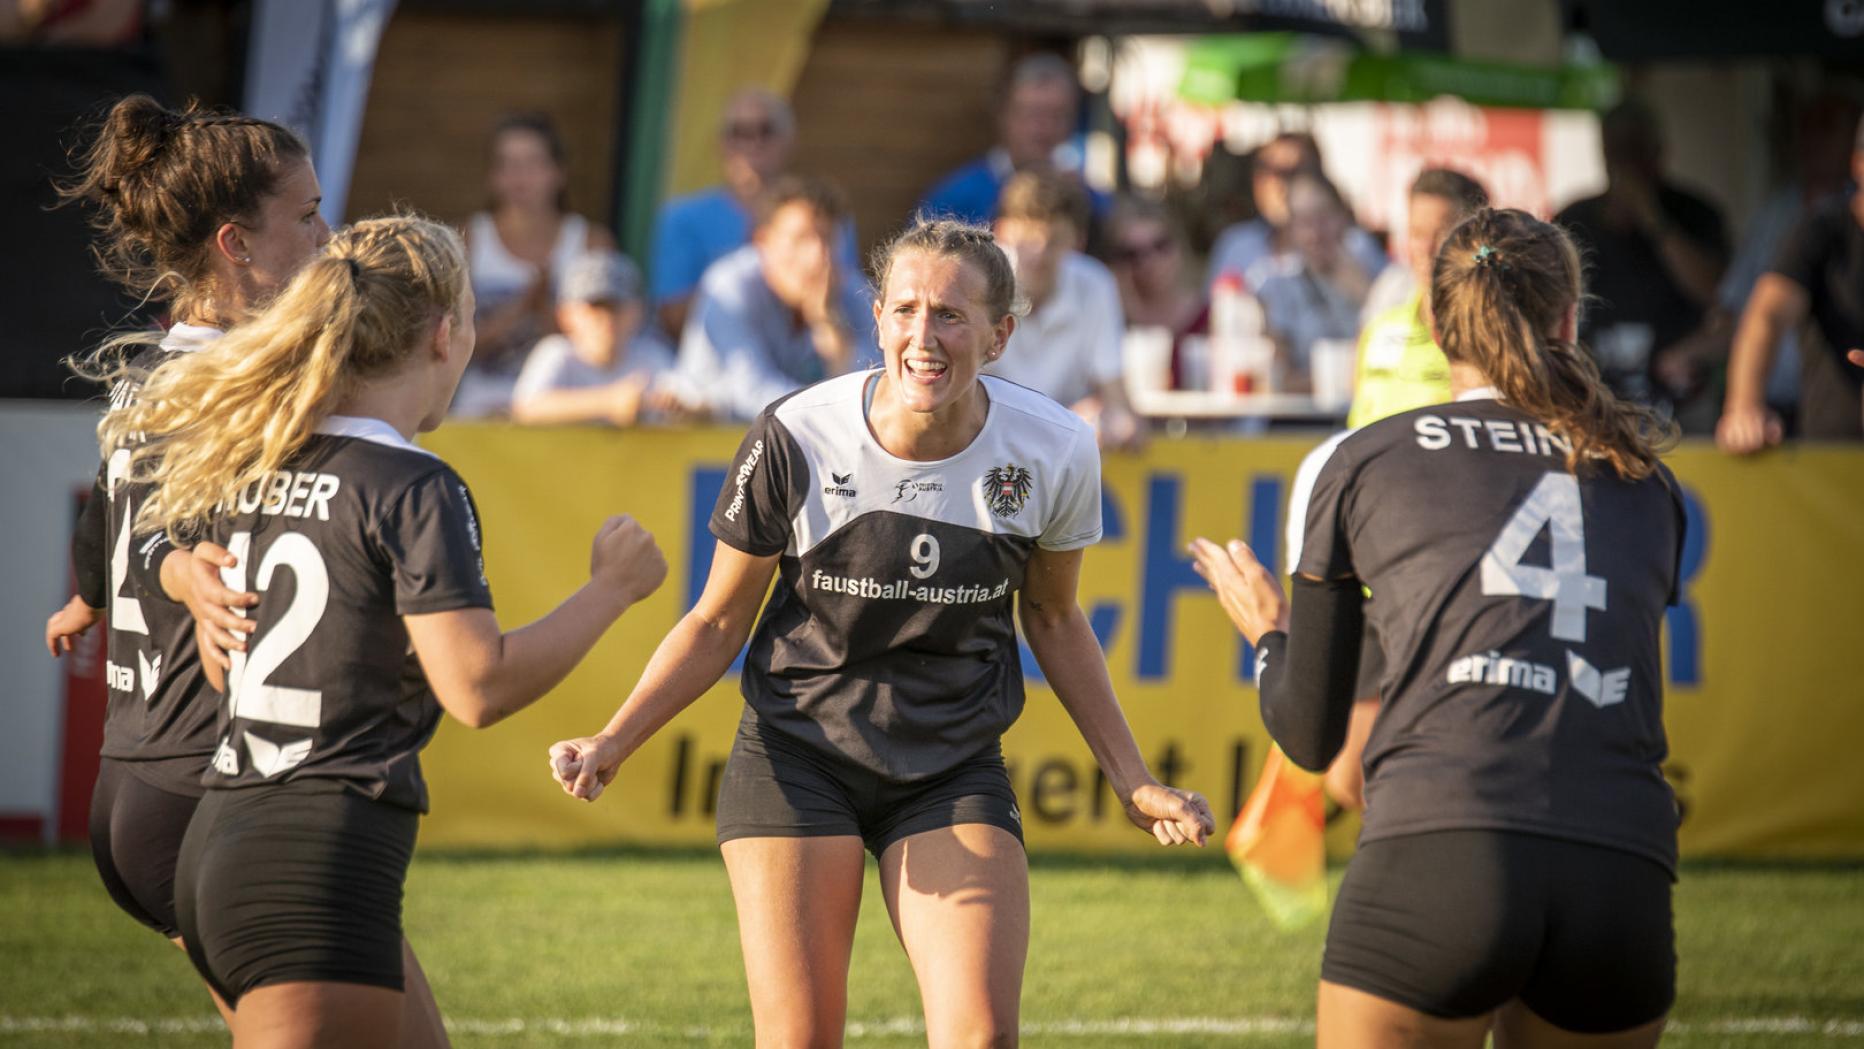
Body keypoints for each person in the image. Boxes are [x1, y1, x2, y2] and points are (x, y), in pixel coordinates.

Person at [548, 217, 1214, 1047]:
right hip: (797, 755)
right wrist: (613, 738)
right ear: (877, 319)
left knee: (980, 1036)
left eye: (951, 315)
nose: (922, 336)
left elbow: (1053, 616)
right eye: (905, 310)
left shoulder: (1056, 448)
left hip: (950, 762)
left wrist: (1133, 779)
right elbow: (716, 620)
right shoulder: (795, 432)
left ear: (1001, 336)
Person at [106, 215, 667, 1048]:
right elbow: (478, 688)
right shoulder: (412, 483)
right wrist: (610, 590)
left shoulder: (261, 459)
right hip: (316, 852)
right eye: (471, 321)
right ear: (443, 333)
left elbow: (229, 665)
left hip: (224, 836)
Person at [1195, 208, 1684, 1048]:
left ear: (1430, 319)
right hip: (1621, 866)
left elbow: (1311, 738)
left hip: (1441, 843)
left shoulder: (1366, 458)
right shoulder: (1645, 476)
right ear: (1569, 318)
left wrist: (1270, 634)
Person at [39, 94, 349, 1033]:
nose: (328, 236)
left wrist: (90, 598)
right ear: (235, 244)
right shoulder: (228, 386)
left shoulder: (149, 372)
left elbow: (111, 509)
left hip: (135, 780)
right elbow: (161, 534)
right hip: (202, 783)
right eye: (307, 215)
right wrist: (179, 574)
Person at [1285, 165, 1485, 810]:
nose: (1424, 247)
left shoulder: (1486, 339)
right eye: (1414, 231)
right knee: (1350, 773)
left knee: (1383, 768)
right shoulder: (1384, 322)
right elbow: (1354, 439)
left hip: (1441, 572)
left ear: (1474, 235)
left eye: (1441, 230)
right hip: (1370, 566)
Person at [1556, 99, 1729, 413]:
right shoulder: (1575, 219)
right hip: (1591, 395)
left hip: (1676, 394)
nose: (1625, 164)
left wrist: (1654, 220)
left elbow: (1715, 290)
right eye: (1617, 152)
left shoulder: (1696, 214)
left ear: (1657, 153)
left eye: (1635, 151)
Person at [649, 88, 856, 339]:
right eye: (739, 132)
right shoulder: (681, 218)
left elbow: (847, 299)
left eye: (765, 130)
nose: (752, 142)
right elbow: (672, 316)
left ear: (790, 141)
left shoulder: (829, 219)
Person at [669, 175, 873, 422]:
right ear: (763, 242)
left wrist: (828, 323)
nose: (818, 256)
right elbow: (753, 396)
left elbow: (873, 390)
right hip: (698, 441)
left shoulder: (852, 289)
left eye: (828, 238)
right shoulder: (728, 286)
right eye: (802, 238)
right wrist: (835, 413)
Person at [1717, 112, 1864, 453]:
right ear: (1858, 164)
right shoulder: (1823, 228)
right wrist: (1744, 407)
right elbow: (1767, 313)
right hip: (1832, 453)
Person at [452, 112, 614, 418]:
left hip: (568, 405)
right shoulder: (466, 239)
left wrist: (544, 311)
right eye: (508, 164)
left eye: (533, 163)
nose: (520, 177)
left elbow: (607, 343)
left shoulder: (592, 242)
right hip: (480, 403)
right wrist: (520, 309)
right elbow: (446, 343)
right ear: (492, 175)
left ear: (559, 172)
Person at [988, 171, 1141, 449]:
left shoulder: (1095, 284)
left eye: (1054, 240)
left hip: (1063, 447)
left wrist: (1112, 419)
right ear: (1002, 232)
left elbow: (1115, 393)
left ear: (1078, 241)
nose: (1039, 253)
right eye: (1026, 238)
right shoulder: (979, 283)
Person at [918, 52, 1105, 226]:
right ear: (1004, 114)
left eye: (1057, 115)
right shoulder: (955, 199)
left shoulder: (1089, 200)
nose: (1044, 128)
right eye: (1033, 114)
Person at [510, 248, 681, 428]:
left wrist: (673, 406)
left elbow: (684, 398)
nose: (606, 319)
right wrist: (609, 402)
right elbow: (525, 408)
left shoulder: (654, 355)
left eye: (616, 308)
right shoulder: (556, 353)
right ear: (566, 315)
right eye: (594, 309)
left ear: (638, 311)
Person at [1205, 132, 1387, 292]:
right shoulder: (1236, 245)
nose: (1278, 183)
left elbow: (1390, 309)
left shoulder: (1357, 246)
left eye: (1293, 171)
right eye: (1267, 169)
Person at [1251, 170, 1382, 389]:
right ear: (1291, 229)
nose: (1315, 233)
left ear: (1342, 216)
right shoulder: (1278, 284)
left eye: (1323, 218)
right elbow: (1279, 377)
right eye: (1304, 222)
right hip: (1311, 409)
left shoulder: (1370, 262)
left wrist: (1366, 293)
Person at [1106, 195, 1208, 390]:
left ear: (1179, 247)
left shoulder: (1209, 317)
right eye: (1131, 254)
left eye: (1160, 246)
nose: (1148, 262)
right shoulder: (1109, 320)